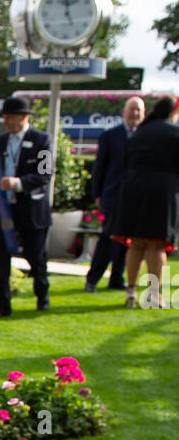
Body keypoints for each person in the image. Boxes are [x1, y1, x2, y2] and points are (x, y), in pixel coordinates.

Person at [0, 96, 52, 318]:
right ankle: (1, 306)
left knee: (36, 258)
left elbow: (44, 175)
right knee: (0, 262)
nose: (6, 121)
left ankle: (42, 298)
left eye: (10, 117)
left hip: (30, 212)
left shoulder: (42, 140)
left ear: (23, 117)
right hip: (2, 211)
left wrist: (18, 183)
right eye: (5, 117)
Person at [110, 94, 179, 309]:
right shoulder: (174, 132)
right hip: (162, 191)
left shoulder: (139, 132)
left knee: (137, 243)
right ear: (173, 112)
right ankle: (154, 295)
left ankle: (131, 291)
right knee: (157, 244)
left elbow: (126, 161)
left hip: (133, 190)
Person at [84, 96, 145, 293]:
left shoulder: (145, 136)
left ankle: (117, 278)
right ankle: (92, 279)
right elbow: (100, 167)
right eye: (132, 109)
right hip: (113, 196)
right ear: (124, 112)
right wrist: (97, 194)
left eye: (138, 110)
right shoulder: (111, 135)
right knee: (108, 239)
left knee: (128, 241)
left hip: (135, 197)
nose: (135, 113)